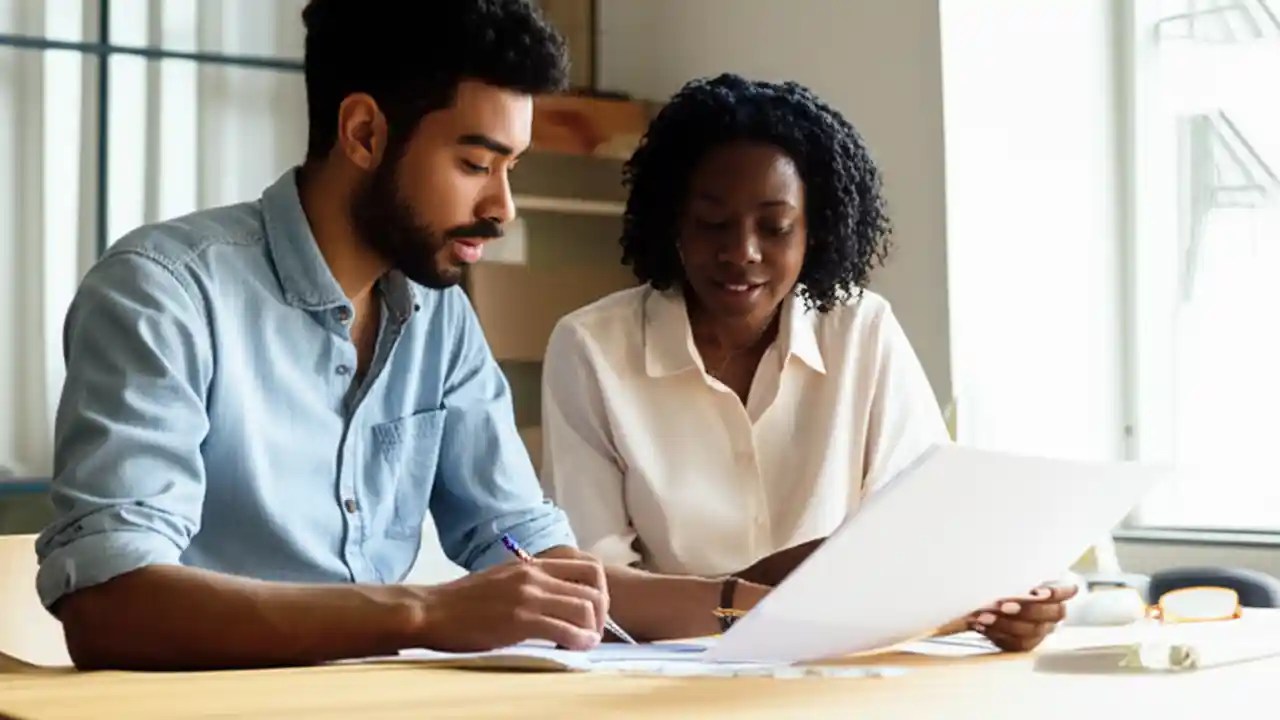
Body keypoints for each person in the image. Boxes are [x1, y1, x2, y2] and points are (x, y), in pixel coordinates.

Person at [35, 1, 766, 671]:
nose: (502, 207)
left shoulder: (437, 316)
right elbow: (111, 606)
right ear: (363, 133)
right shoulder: (163, 293)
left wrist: (753, 606)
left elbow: (541, 559)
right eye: (476, 164)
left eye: (511, 169)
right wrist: (425, 611)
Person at [540, 74, 1076, 652]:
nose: (742, 251)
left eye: (774, 227)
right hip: (663, 678)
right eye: (713, 223)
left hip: (844, 670)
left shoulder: (862, 331)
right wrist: (799, 578)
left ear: (814, 233)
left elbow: (928, 540)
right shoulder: (591, 348)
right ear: (673, 223)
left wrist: (1011, 604)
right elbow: (591, 590)